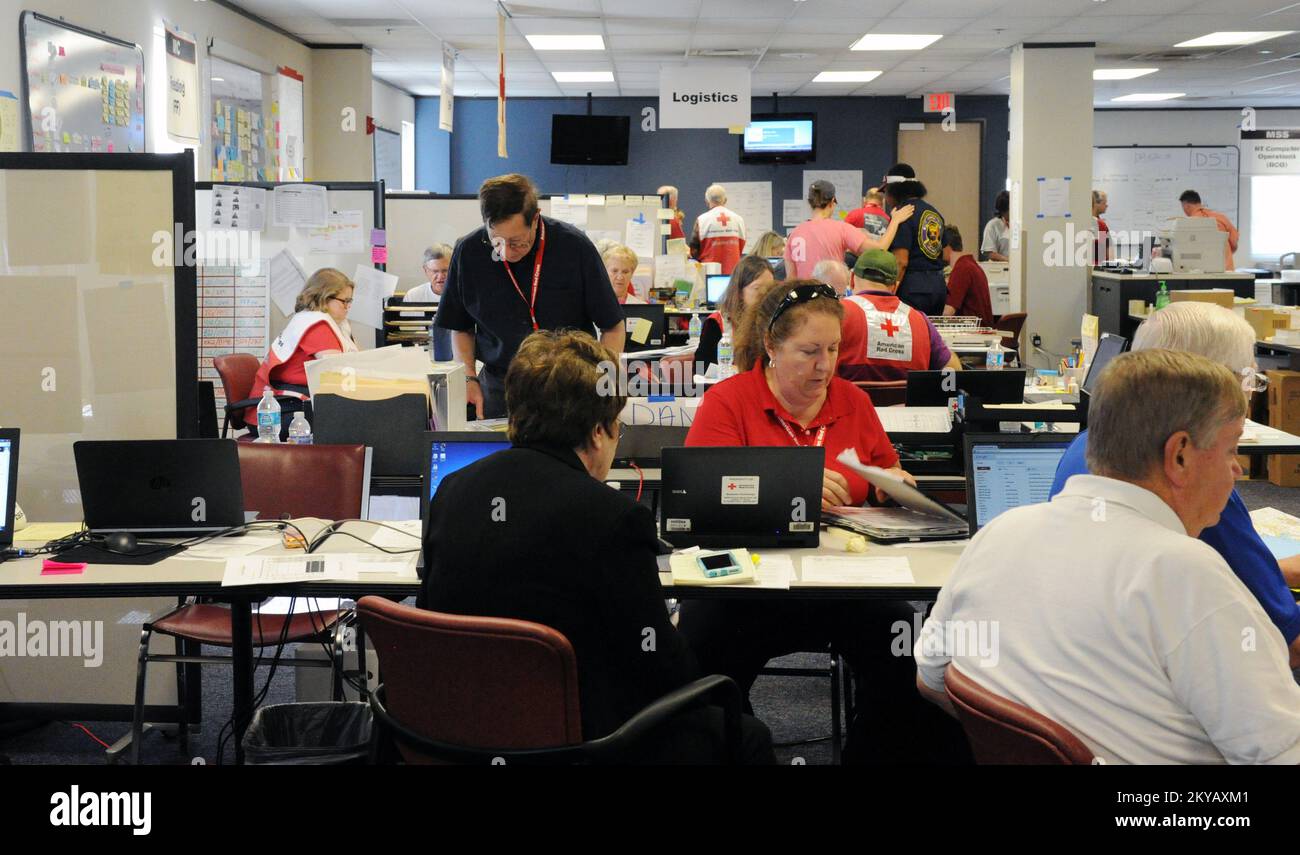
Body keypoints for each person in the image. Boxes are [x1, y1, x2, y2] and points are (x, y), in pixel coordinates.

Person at [918, 349, 1300, 764]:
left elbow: (932, 679)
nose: (1238, 470)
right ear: (1180, 455)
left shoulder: (1000, 534)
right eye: (1231, 450)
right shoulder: (1190, 577)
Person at [422, 330, 774, 763]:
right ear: (596, 432)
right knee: (745, 731)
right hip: (582, 740)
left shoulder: (452, 491)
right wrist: (678, 628)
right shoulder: (613, 517)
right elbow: (662, 670)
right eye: (617, 429)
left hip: (450, 729)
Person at [680, 280, 970, 764]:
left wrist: (891, 484)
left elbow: (881, 470)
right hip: (752, 590)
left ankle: (871, 752)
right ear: (771, 346)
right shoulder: (730, 403)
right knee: (698, 659)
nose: (825, 365)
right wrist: (793, 492)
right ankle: (738, 750)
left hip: (848, 586)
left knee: (913, 654)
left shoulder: (852, 402)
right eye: (809, 351)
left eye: (834, 349)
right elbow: (704, 501)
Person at [1049, 301, 1300, 661]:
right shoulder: (1196, 483)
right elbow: (1286, 642)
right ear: (1210, 382)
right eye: (1248, 377)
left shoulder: (1091, 444)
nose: (1250, 391)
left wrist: (1272, 571)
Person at [435, 173, 626, 419]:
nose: (505, 252)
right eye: (497, 242)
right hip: (500, 385)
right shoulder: (469, 251)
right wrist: (469, 377)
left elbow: (613, 326)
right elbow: (460, 327)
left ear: (535, 218)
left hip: (569, 384)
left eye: (516, 242)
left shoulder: (574, 247)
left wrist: (604, 383)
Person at [247, 267, 358, 435]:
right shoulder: (316, 325)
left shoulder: (324, 322)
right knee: (355, 424)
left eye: (350, 301)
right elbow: (337, 371)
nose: (348, 307)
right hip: (274, 415)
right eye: (344, 301)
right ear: (324, 297)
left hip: (288, 404)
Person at [839, 250, 961, 382]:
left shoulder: (837, 313)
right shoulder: (921, 321)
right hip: (908, 402)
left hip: (850, 402)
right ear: (894, 287)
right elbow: (953, 369)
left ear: (851, 280)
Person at [784, 179, 913, 280]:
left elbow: (791, 278)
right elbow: (880, 249)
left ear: (810, 202)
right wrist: (895, 221)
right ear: (832, 201)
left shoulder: (794, 234)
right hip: (829, 301)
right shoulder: (841, 229)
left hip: (801, 305)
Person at [694, 255, 774, 371]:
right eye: (757, 288)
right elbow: (700, 368)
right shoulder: (717, 322)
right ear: (740, 291)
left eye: (770, 288)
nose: (765, 294)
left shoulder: (774, 322)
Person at [884, 177, 948, 316]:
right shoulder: (935, 213)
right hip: (938, 286)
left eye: (886, 193)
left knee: (911, 334)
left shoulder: (903, 214)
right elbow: (947, 254)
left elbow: (901, 261)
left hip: (913, 288)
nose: (886, 199)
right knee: (931, 334)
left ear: (895, 192)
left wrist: (891, 289)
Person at [402, 243, 454, 361]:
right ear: (425, 270)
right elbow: (407, 337)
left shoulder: (464, 294)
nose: (440, 276)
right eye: (435, 271)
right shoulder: (413, 296)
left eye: (445, 270)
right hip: (420, 357)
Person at [940, 225, 994, 327]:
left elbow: (947, 313)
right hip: (981, 330)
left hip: (973, 335)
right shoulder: (971, 264)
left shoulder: (962, 269)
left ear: (946, 246)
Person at [689, 183, 746, 274]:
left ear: (707, 201)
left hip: (709, 274)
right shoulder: (738, 219)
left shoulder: (701, 220)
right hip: (733, 273)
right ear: (725, 200)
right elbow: (741, 246)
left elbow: (694, 250)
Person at [1180, 189, 1239, 272]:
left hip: (1201, 272)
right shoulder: (1221, 217)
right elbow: (1234, 244)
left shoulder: (1189, 223)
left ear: (1186, 206)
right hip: (1226, 270)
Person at [979, 190, 1010, 262]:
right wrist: (1008, 260)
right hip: (999, 267)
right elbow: (990, 253)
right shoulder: (993, 225)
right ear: (1003, 210)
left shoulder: (1017, 224)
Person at [1092, 189, 1111, 264]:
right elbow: (1105, 251)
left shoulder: (1101, 224)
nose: (1107, 205)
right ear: (1095, 203)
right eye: (1104, 203)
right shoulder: (1100, 224)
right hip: (1097, 267)